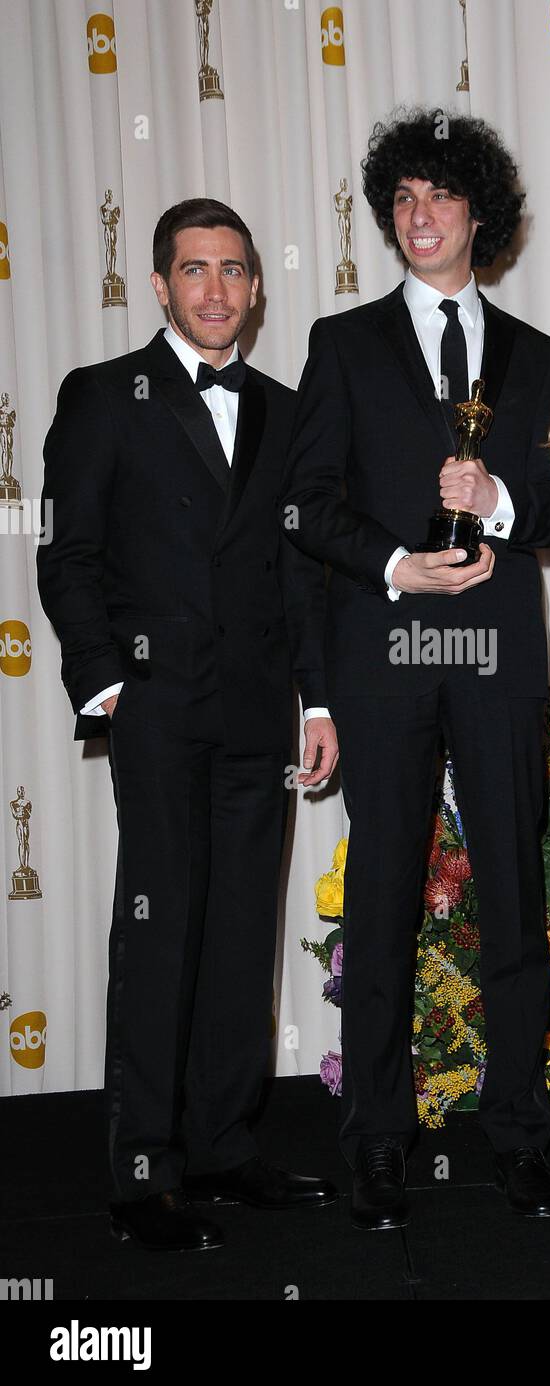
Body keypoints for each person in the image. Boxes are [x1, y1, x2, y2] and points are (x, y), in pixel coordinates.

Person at [283, 109, 550, 1230]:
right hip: (390, 651)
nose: (420, 216)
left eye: (441, 197)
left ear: (479, 216)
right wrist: (397, 562)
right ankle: (378, 1143)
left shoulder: (537, 357)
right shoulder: (341, 343)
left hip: (496, 651)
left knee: (511, 889)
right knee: (385, 896)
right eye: (402, 199)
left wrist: (497, 503)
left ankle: (517, 1134)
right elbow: (305, 506)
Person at [37, 198, 339, 1252]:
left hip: (258, 713)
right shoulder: (103, 396)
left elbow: (298, 571)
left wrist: (317, 697)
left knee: (242, 932)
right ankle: (140, 1171)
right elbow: (68, 555)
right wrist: (105, 683)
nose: (215, 288)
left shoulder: (288, 410)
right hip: (159, 708)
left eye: (234, 270)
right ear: (161, 285)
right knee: (163, 932)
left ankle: (222, 1145)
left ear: (256, 289)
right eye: (194, 269)